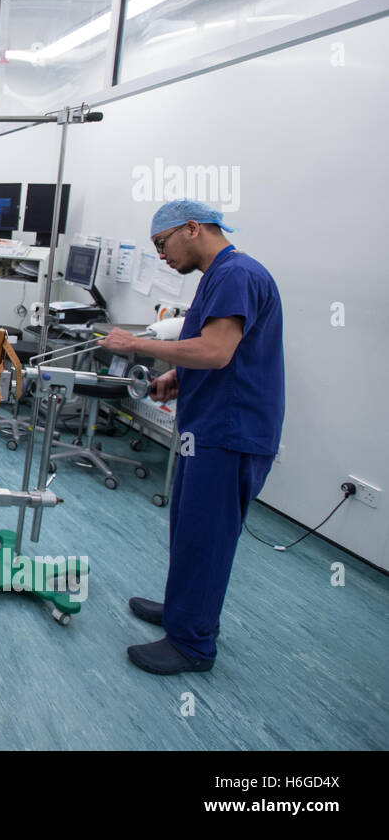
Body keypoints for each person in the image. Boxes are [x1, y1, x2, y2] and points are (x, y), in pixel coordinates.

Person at [102, 199, 284, 675]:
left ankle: (192, 644)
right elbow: (221, 354)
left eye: (162, 245)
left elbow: (218, 350)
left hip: (231, 431)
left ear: (191, 228)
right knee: (187, 527)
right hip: (208, 424)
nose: (161, 256)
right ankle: (184, 610)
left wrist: (136, 343)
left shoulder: (237, 274)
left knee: (207, 536)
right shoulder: (218, 277)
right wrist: (180, 378)